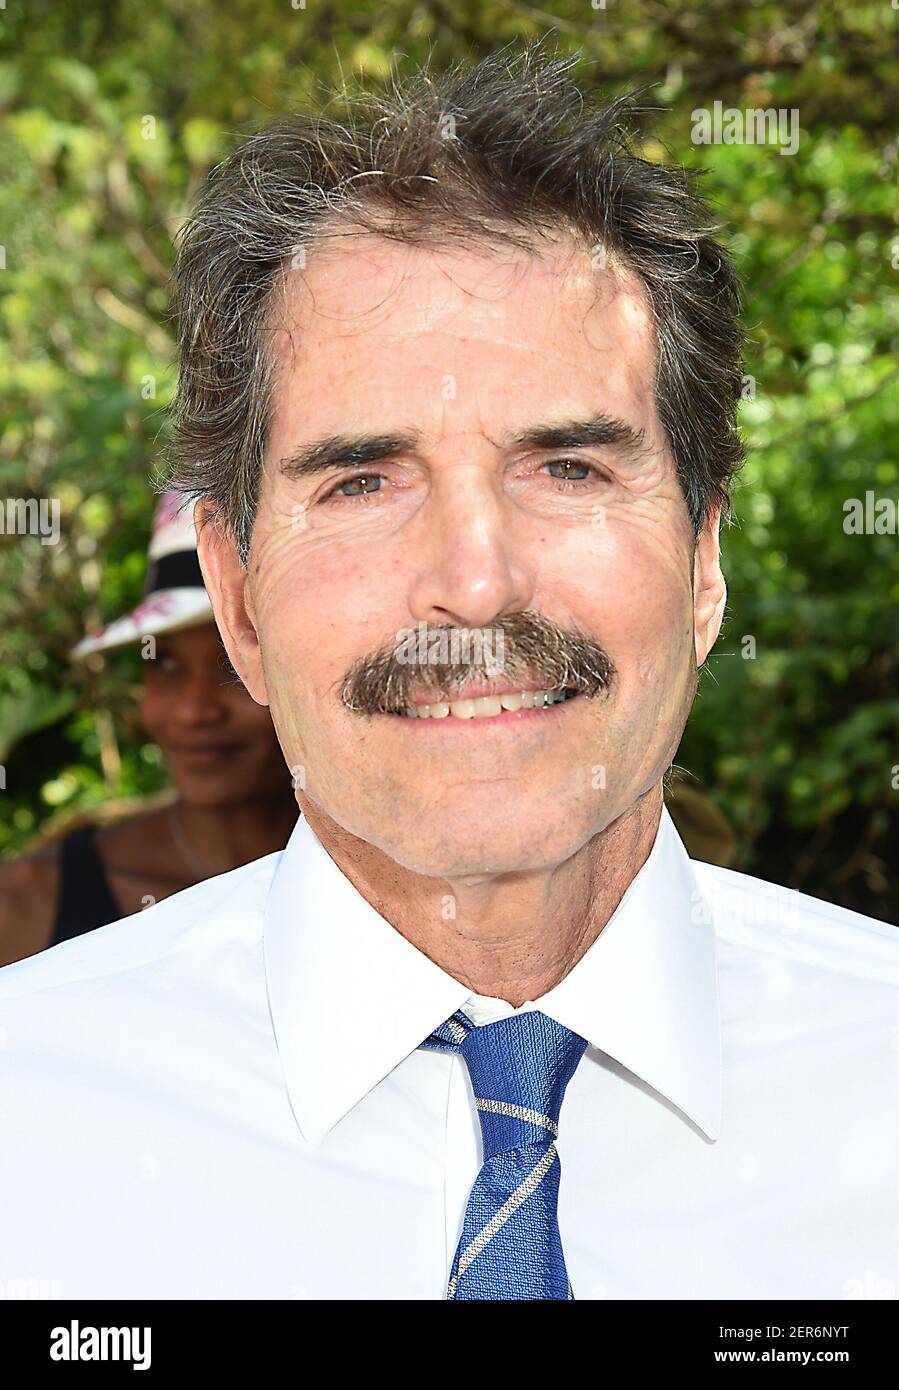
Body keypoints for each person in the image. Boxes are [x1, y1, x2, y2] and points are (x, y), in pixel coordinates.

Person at [0, 46, 896, 1301]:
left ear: (702, 564)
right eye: (361, 480)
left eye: (567, 466)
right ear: (241, 596)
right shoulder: (26, 1128)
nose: (475, 582)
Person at [0, 492, 297, 967]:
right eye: (166, 664)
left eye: (232, 665)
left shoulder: (400, 890)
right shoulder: (23, 910)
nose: (193, 711)